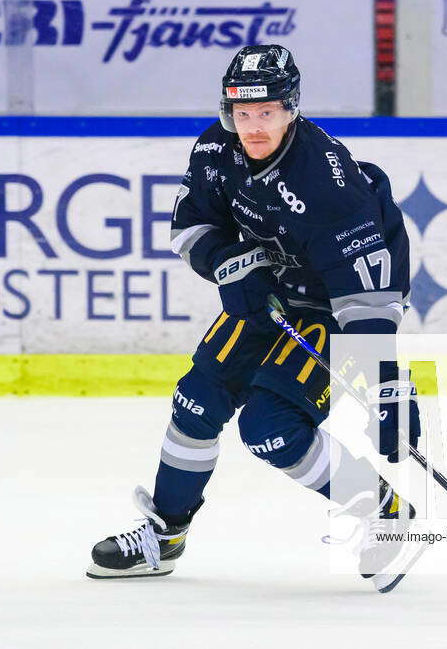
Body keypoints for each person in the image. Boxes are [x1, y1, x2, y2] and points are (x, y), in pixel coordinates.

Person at [86, 45, 421, 592]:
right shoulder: (217, 149)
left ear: (291, 108)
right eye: (242, 113)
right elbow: (190, 229)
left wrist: (385, 381)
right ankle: (165, 534)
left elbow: (370, 297)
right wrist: (229, 264)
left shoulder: (327, 184)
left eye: (266, 112)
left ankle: (385, 511)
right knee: (195, 402)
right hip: (271, 291)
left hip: (337, 306)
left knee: (270, 429)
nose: (253, 126)